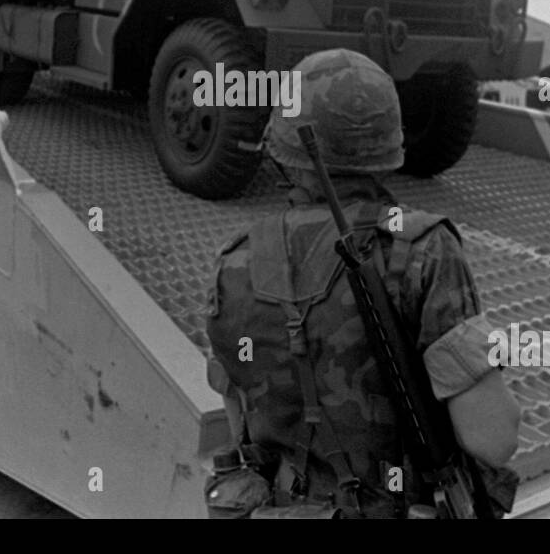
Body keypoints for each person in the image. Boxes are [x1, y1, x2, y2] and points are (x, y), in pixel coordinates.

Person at [204, 49, 520, 519]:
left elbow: (241, 427)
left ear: (285, 146)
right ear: (390, 141)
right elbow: (492, 439)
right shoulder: (424, 251)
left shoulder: (234, 261)